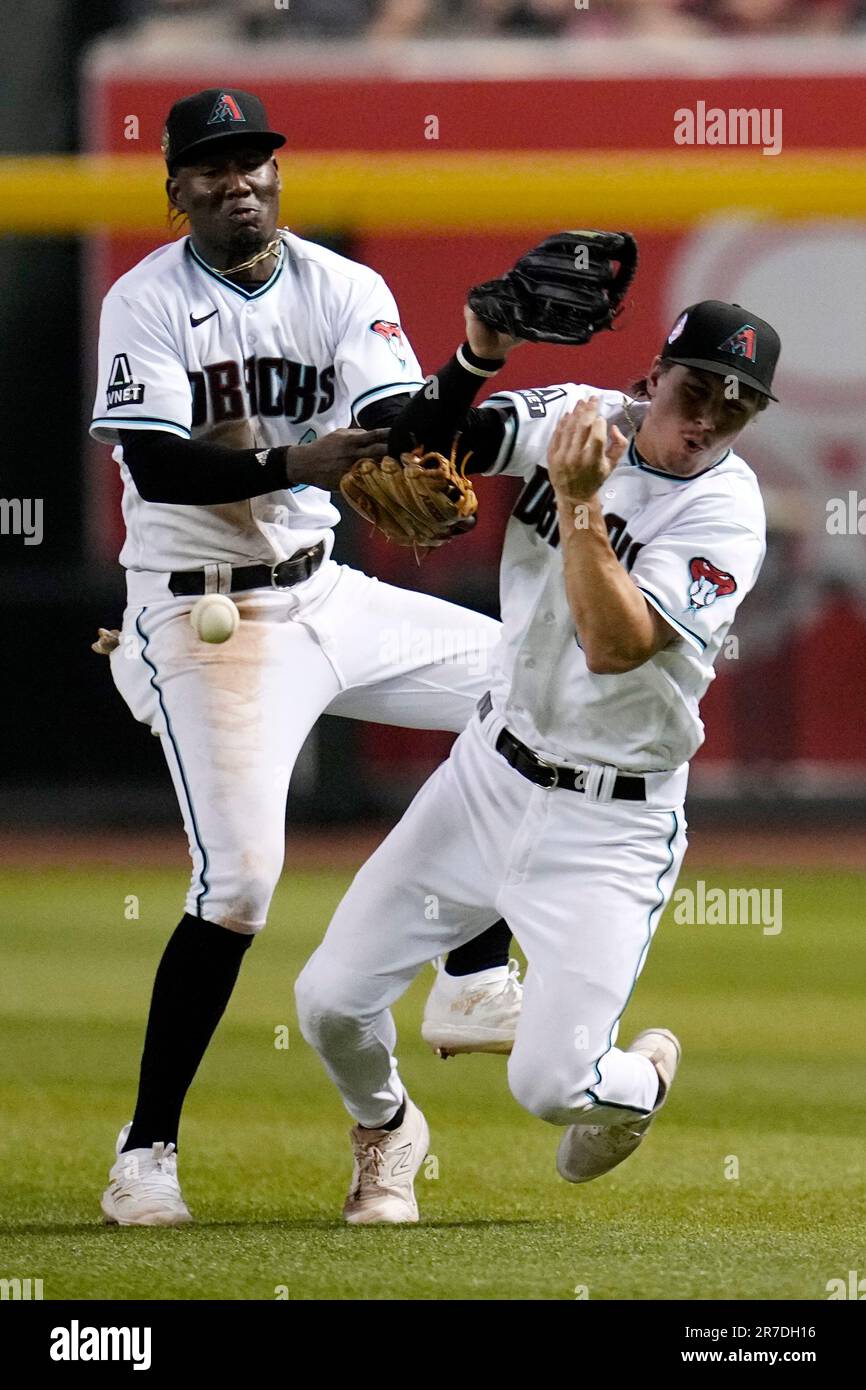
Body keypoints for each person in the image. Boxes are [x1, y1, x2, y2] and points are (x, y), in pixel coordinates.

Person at [93, 88, 521, 1227]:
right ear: (175, 186)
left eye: (255, 161)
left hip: (322, 590)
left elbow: (395, 429)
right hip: (201, 614)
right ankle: (145, 1150)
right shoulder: (145, 301)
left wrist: (467, 365)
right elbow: (162, 468)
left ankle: (476, 967)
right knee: (236, 885)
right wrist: (299, 459)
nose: (239, 180)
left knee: (526, 685)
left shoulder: (343, 286)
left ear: (277, 174)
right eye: (213, 165)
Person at [294, 296, 780, 1223]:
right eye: (699, 386)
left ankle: (635, 1080)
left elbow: (615, 643)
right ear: (653, 376)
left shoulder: (726, 511)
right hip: (489, 775)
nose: (711, 413)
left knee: (553, 1086)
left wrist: (579, 500)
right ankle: (388, 1129)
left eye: (739, 403)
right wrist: (478, 352)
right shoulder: (578, 417)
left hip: (611, 824)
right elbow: (426, 440)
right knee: (326, 1001)